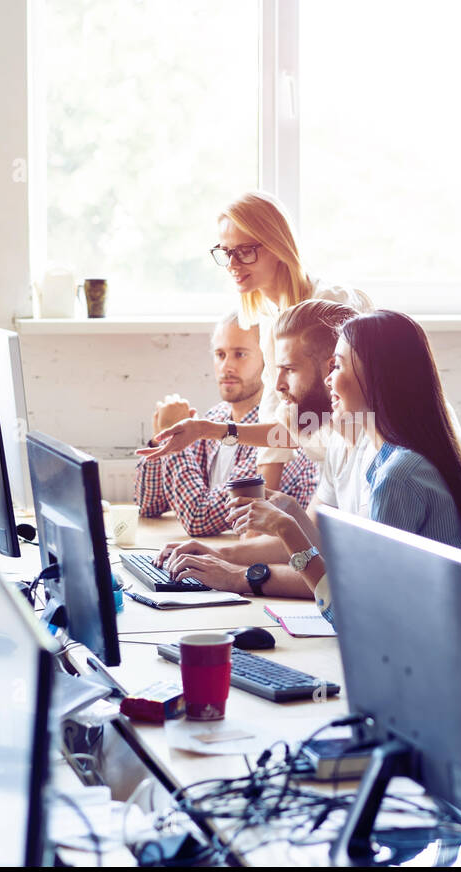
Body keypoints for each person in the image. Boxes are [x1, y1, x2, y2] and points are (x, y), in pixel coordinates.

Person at [209, 309, 461, 703]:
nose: (329, 378)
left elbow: (366, 618)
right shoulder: (397, 459)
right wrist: (291, 520)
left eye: (338, 364)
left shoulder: (401, 474)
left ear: (375, 378)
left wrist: (290, 534)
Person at [156, 299, 372, 598]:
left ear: (332, 370)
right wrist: (222, 555)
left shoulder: (383, 459)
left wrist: (239, 577)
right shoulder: (337, 440)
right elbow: (315, 540)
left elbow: (358, 585)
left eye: (289, 369)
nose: (278, 385)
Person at [203, 191, 373, 490]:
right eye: (225, 251)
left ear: (278, 246)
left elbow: (361, 408)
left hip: (396, 464)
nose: (232, 263)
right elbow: (279, 435)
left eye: (244, 251)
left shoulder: (330, 305)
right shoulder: (271, 323)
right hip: (349, 467)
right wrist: (260, 517)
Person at [134, 313, 316, 536]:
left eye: (240, 354)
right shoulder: (216, 417)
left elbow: (199, 518)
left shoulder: (277, 434)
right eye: (220, 355)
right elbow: (148, 506)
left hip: (265, 563)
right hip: (222, 553)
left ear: (267, 361)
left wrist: (174, 444)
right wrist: (163, 441)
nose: (226, 366)